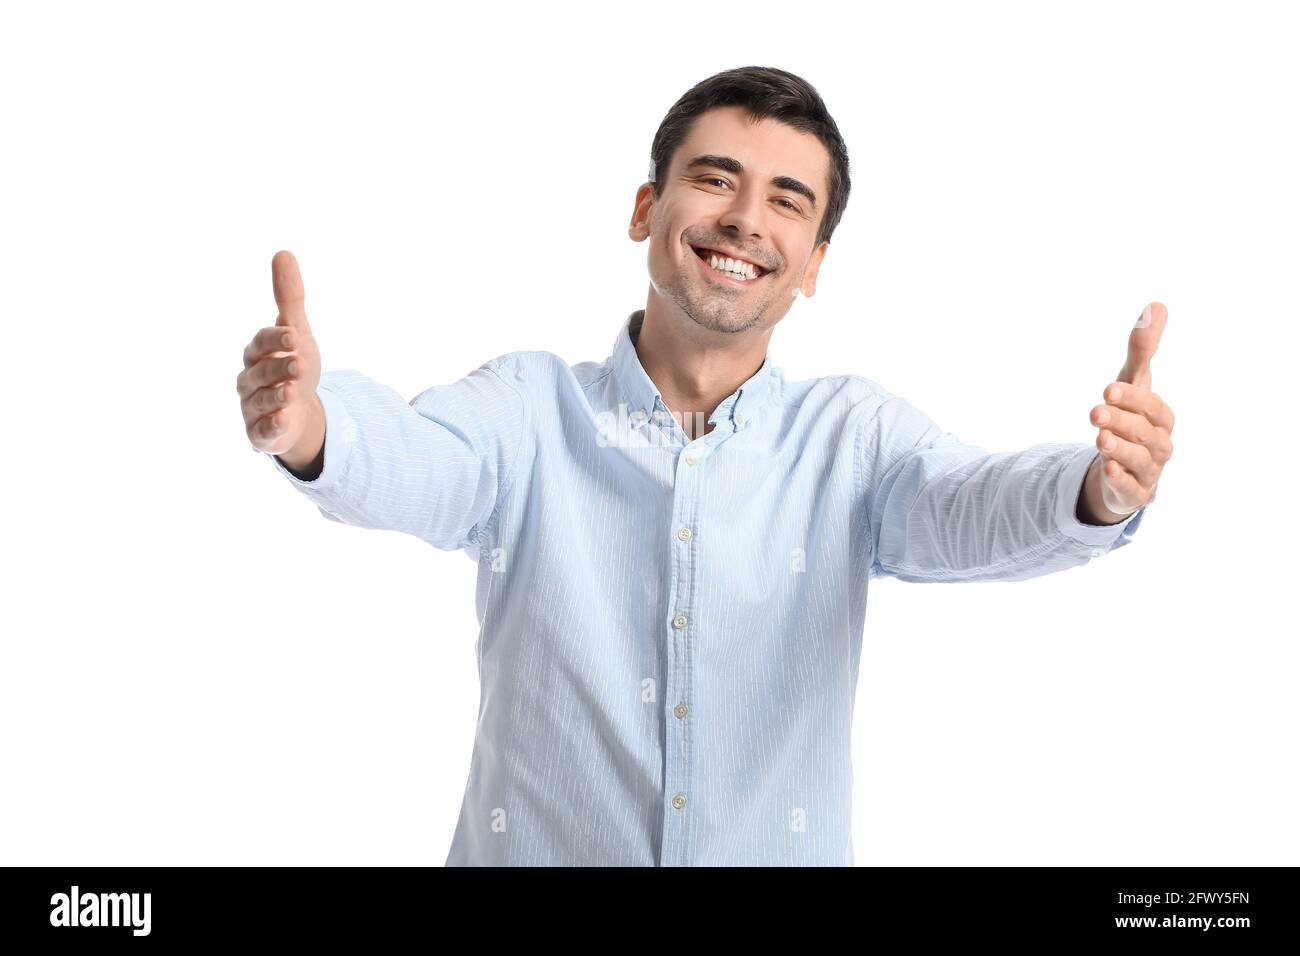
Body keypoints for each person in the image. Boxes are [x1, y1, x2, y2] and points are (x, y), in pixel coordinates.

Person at [234, 66, 1174, 866]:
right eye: (715, 181)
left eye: (786, 202)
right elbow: (418, 461)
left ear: (812, 263)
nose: (744, 222)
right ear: (647, 209)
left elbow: (968, 502)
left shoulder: (851, 437)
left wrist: (1097, 490)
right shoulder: (528, 410)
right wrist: (313, 426)